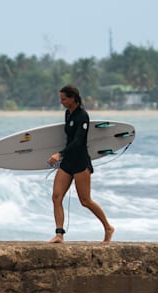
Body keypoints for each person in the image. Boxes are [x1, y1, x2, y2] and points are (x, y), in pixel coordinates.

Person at [47, 84, 115, 244]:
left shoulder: (82, 116)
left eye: (64, 99)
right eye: (61, 99)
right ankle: (59, 234)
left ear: (73, 98)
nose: (61, 102)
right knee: (56, 196)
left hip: (80, 163)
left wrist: (60, 154)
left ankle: (108, 227)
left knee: (85, 201)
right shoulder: (67, 114)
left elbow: (78, 142)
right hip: (67, 163)